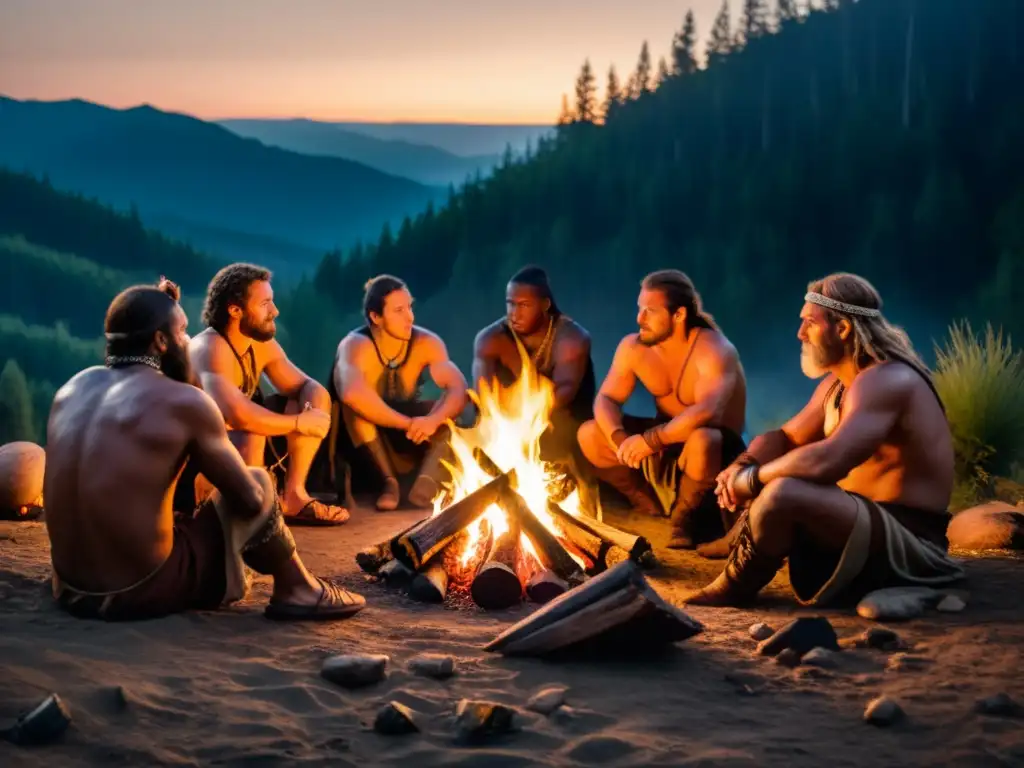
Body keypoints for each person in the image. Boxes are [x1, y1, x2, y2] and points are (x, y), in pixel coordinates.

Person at [42, 280, 365, 621]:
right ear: (160, 341)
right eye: (182, 332)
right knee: (258, 482)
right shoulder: (185, 402)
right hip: (138, 592)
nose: (188, 341)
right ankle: (299, 589)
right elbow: (250, 500)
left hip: (69, 589)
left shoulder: (72, 389)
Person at [681, 273, 965, 607]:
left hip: (907, 538)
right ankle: (737, 539)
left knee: (782, 492)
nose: (800, 333)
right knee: (764, 470)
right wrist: (742, 467)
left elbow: (829, 459)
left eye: (810, 324)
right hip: (859, 520)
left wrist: (753, 480)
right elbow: (785, 436)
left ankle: (734, 585)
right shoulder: (839, 384)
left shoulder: (886, 380)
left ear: (842, 329)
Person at [577, 269, 748, 549]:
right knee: (590, 434)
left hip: (715, 454)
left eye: (650, 311)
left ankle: (684, 519)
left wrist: (649, 440)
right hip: (666, 440)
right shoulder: (633, 348)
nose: (639, 319)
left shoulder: (714, 350)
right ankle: (643, 498)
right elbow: (606, 399)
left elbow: (707, 412)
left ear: (679, 315)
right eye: (639, 309)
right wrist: (622, 441)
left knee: (704, 439)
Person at [188, 263, 348, 526]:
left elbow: (303, 386)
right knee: (252, 427)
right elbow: (237, 415)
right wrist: (299, 423)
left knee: (313, 397)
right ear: (235, 310)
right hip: (195, 456)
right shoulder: (210, 349)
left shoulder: (259, 345)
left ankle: (294, 495)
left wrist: (315, 406)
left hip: (236, 448)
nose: (275, 311)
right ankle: (255, 514)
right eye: (265, 304)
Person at [331, 275, 469, 511]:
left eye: (410, 307)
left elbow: (458, 387)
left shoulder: (427, 342)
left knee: (450, 408)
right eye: (398, 310)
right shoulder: (355, 345)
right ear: (376, 316)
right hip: (364, 442)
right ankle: (389, 483)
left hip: (411, 437)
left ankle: (425, 484)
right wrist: (407, 424)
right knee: (355, 408)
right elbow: (351, 393)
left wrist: (432, 420)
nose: (410, 317)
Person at [472, 266, 598, 506]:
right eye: (510, 304)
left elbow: (565, 392)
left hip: (564, 418)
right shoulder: (491, 339)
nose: (514, 313)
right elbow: (483, 395)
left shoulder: (571, 338)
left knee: (565, 430)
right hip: (509, 420)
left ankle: (579, 494)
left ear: (545, 305)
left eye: (524, 305)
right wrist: (503, 421)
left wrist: (525, 417)